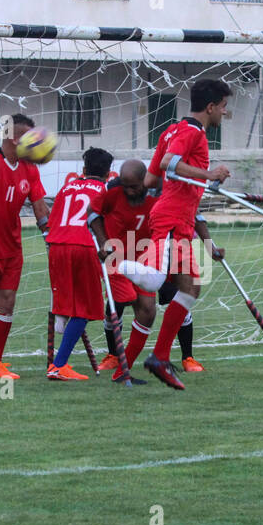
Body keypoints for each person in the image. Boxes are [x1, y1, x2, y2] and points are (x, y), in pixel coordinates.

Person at [137, 77, 232, 390]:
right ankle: (130, 269)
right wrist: (207, 173)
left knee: (190, 288)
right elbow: (167, 163)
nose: (224, 113)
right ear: (210, 106)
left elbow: (152, 179)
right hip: (171, 218)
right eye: (223, 107)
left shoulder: (171, 130)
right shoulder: (192, 131)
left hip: (178, 218)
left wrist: (193, 182)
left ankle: (160, 357)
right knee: (160, 281)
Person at [0, 112, 51, 379]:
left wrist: (50, 236)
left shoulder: (30, 168)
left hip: (13, 246)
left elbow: (39, 206)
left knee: (7, 302)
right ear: (15, 138)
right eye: (30, 136)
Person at [45, 147, 112, 381]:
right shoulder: (104, 190)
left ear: (83, 170)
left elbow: (51, 221)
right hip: (83, 247)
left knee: (73, 303)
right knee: (85, 308)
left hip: (56, 246)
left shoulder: (66, 188)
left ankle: (62, 314)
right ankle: (59, 364)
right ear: (109, 173)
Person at [90, 158, 159, 384]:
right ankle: (112, 346)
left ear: (144, 181)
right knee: (127, 299)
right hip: (115, 260)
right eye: (125, 186)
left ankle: (122, 370)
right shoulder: (113, 194)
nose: (129, 191)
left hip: (142, 260)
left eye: (134, 186)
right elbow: (92, 213)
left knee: (148, 312)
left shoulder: (157, 195)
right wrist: (103, 241)